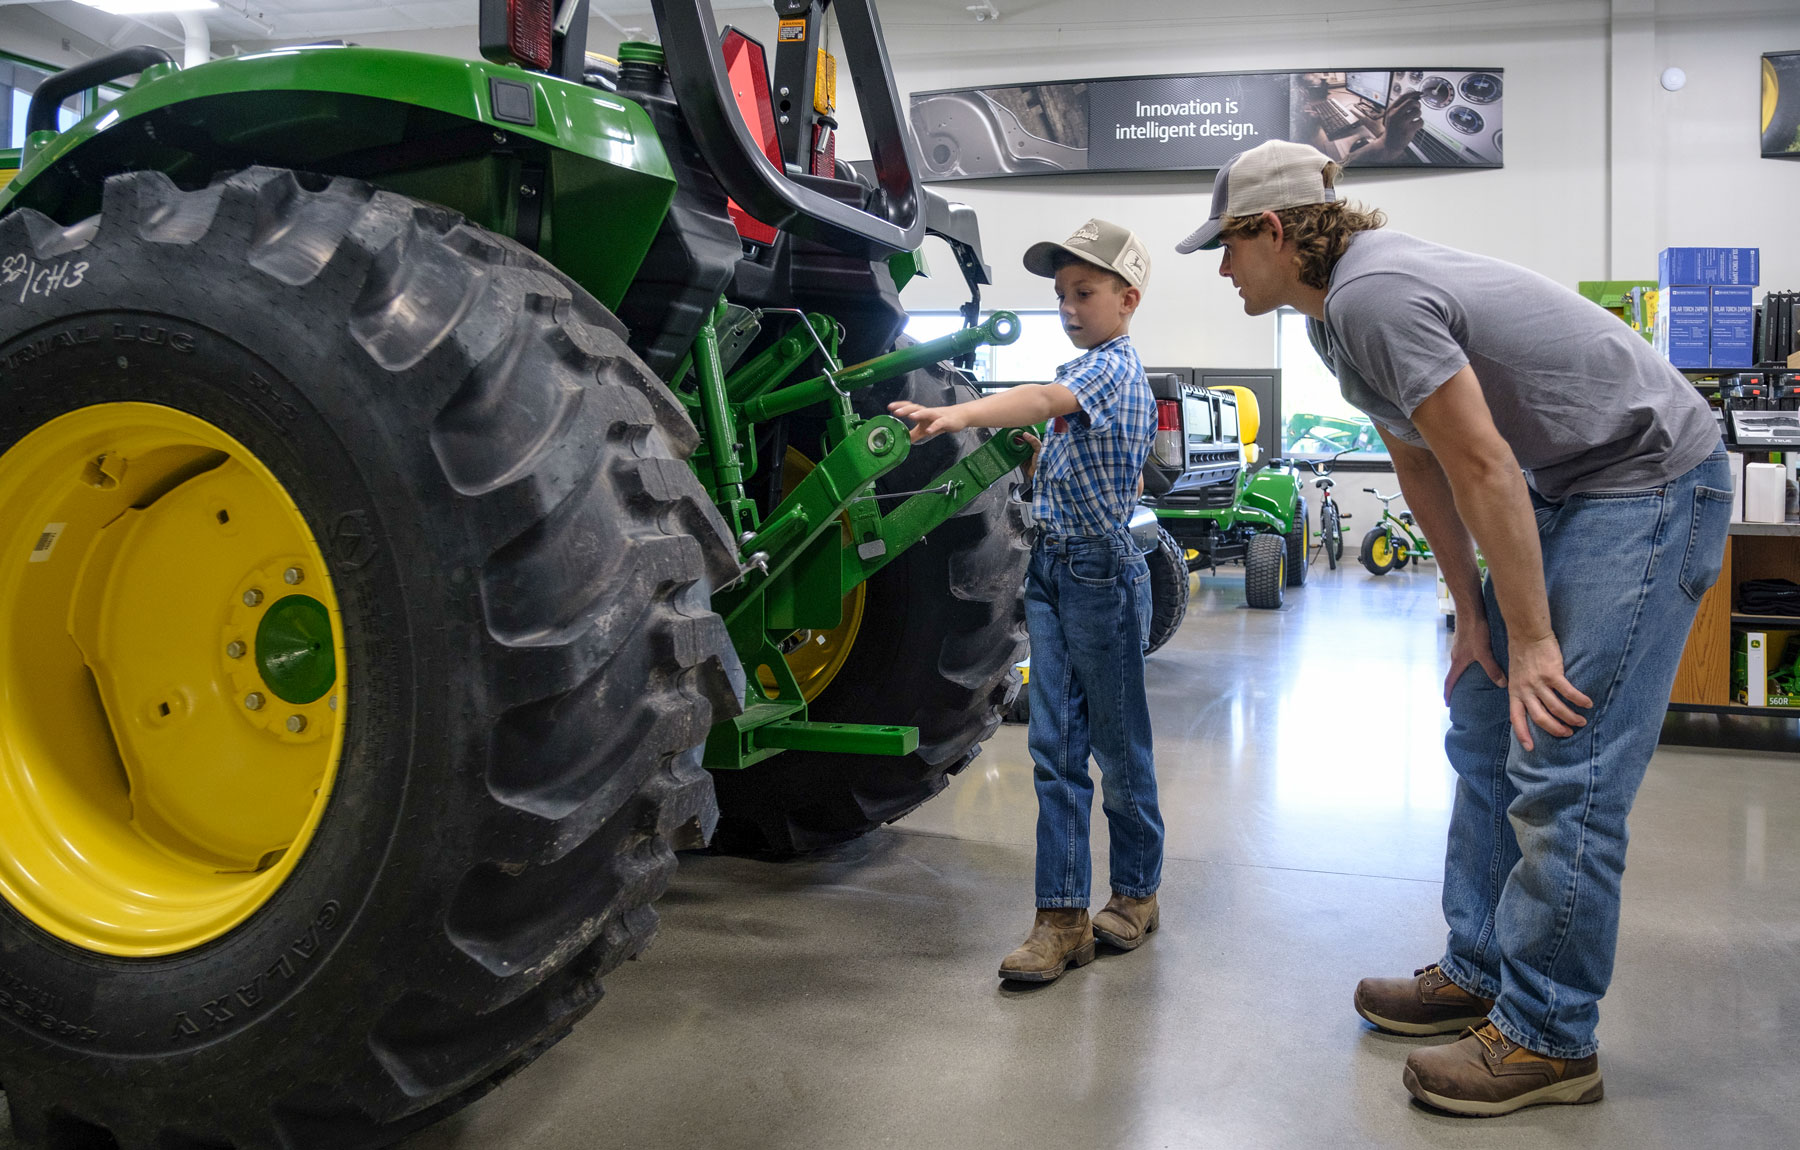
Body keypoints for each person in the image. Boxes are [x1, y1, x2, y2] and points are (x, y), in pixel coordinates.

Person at [1176, 140, 1728, 1115]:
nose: (1221, 270)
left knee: (1562, 755)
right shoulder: (1332, 322)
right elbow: (1421, 463)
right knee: (1481, 718)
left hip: (1647, 480)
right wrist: (1474, 617)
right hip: (1567, 486)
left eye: (1226, 245)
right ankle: (1481, 971)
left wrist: (1537, 640)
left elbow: (1481, 462)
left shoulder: (1372, 296)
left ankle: (1551, 1038)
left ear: (1273, 230)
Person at [888, 218, 1164, 984]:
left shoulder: (1109, 369)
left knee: (1118, 749)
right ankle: (1061, 918)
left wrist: (959, 413)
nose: (1069, 307)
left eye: (1085, 292)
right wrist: (1044, 459)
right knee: (1053, 749)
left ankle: (1137, 893)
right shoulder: (1089, 380)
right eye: (1062, 294)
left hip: (1101, 578)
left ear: (1128, 298)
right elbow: (1080, 447)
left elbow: (1042, 397)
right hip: (1052, 570)